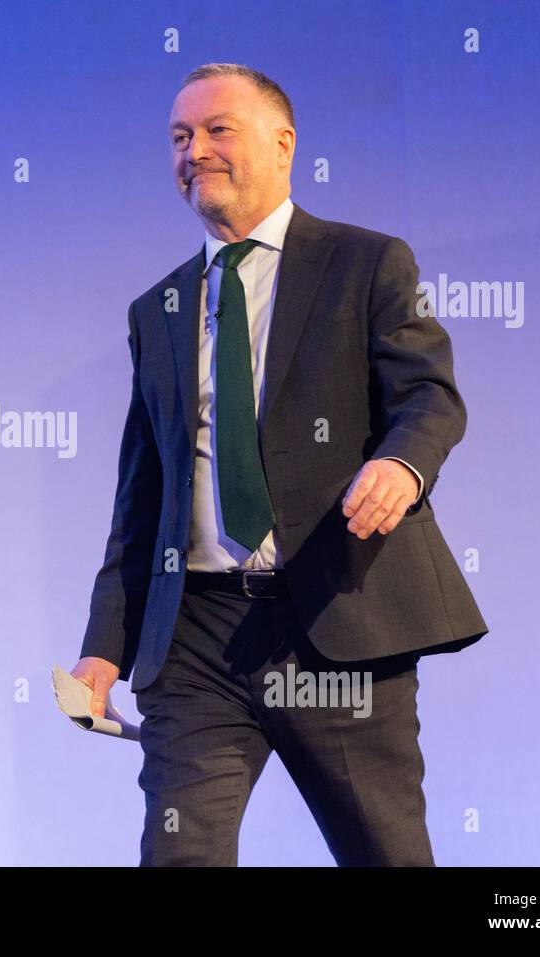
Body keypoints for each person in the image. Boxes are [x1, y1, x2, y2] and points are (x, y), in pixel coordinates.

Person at [70, 63, 488, 866]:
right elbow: (143, 495)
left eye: (217, 129)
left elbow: (430, 397)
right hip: (195, 636)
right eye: (180, 137)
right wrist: (104, 644)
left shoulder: (365, 264)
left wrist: (402, 467)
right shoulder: (156, 310)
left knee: (387, 853)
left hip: (332, 610)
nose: (196, 150)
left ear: (283, 143)